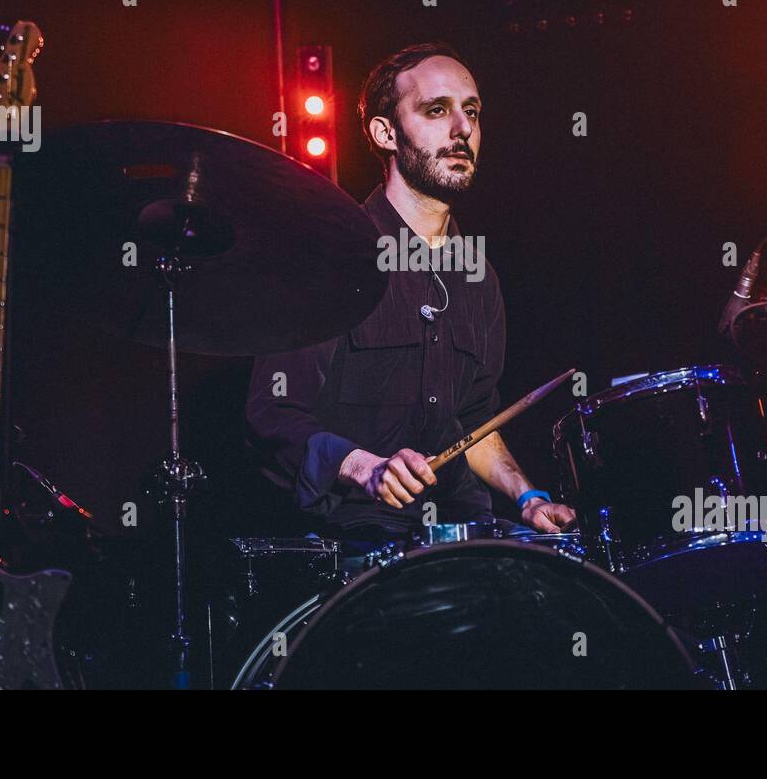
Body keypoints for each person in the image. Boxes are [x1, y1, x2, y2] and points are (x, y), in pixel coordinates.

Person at [245, 41, 575, 540]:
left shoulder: (477, 273)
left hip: (464, 533)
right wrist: (365, 467)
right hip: (357, 542)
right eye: (436, 110)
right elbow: (273, 413)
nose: (462, 129)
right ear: (385, 132)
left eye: (471, 112)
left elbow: (475, 424)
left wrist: (526, 497)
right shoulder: (335, 257)